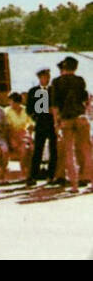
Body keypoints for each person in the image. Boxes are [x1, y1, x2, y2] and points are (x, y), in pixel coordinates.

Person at [50, 55, 91, 194]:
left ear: (64, 67)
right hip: (81, 117)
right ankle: (89, 179)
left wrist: (56, 122)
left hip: (66, 119)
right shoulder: (80, 81)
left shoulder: (56, 82)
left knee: (69, 152)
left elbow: (55, 105)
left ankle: (74, 185)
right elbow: (86, 101)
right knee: (86, 150)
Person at [26, 68, 57, 186]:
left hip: (52, 123)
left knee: (53, 150)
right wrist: (37, 116)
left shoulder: (54, 90)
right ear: (40, 77)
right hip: (41, 123)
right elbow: (29, 109)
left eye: (48, 76)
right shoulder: (33, 91)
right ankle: (33, 176)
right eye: (45, 76)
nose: (47, 78)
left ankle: (51, 175)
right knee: (38, 150)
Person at [3, 92, 34, 175]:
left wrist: (29, 136)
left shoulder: (26, 110)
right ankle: (23, 171)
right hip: (11, 135)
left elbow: (31, 125)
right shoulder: (6, 111)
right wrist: (14, 138)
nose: (10, 103)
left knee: (30, 148)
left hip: (23, 134)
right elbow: (7, 128)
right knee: (23, 149)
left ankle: (29, 171)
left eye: (12, 101)